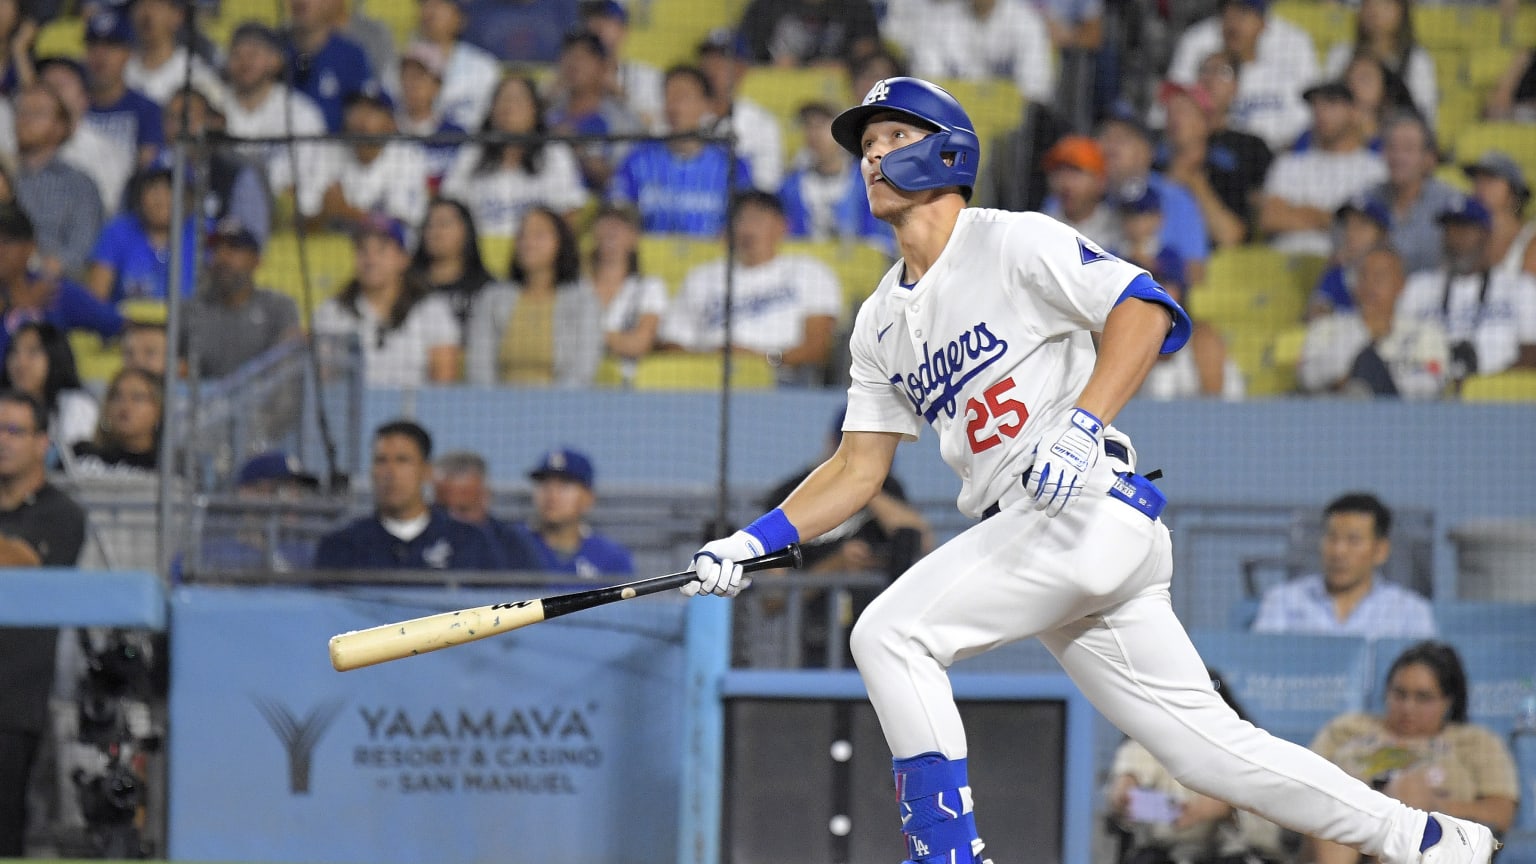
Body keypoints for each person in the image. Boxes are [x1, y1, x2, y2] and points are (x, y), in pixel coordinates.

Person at [680, 76, 1500, 864]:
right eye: (866, 142)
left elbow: (1145, 309)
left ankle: (949, 856)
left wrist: (1080, 425)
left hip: (1085, 507)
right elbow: (857, 470)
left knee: (890, 635)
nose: (872, 154)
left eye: (893, 136)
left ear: (948, 154)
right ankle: (1428, 840)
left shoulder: (1011, 239)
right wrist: (751, 543)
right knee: (1211, 755)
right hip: (1044, 536)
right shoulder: (878, 323)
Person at [1310, 642, 1519, 864]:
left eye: (1423, 697)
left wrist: (1433, 807)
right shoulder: (1347, 730)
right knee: (1338, 802)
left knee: (1409, 797)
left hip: (1429, 842)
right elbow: (1305, 782)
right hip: (1336, 839)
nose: (1408, 707)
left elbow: (1500, 814)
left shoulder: (1475, 742)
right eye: (1399, 694)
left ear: (1448, 702)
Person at [0, 389, 85, 857]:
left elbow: (20, 561)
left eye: (14, 430)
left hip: (14, 705)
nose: (2, 441)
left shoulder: (62, 514)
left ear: (42, 443)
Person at [658, 190, 842, 384]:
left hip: (781, 381)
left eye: (758, 219)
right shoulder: (701, 277)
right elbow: (672, 344)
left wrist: (758, 362)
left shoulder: (810, 271)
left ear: (782, 226)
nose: (748, 228)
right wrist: (709, 362)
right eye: (741, 219)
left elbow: (817, 348)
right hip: (707, 383)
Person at [1107, 671, 1286, 864]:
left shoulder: (1246, 748)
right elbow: (1131, 770)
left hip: (1231, 853)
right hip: (1167, 852)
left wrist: (1229, 810)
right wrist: (1125, 789)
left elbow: (1273, 835)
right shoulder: (1154, 740)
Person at [315, 419, 499, 570]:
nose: (390, 472)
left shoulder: (469, 542)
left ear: (426, 471)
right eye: (381, 461)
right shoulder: (342, 546)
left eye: (402, 460)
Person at [1115, 184, 1243, 401]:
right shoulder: (1112, 257)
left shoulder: (1168, 255)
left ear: (1158, 218)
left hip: (1172, 339)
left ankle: (1216, 416)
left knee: (1207, 337)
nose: (1136, 222)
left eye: (1143, 214)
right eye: (1130, 215)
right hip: (1129, 343)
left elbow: (1171, 296)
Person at [1253, 492, 1436, 638]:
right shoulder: (1283, 602)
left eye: (1353, 540)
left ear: (1381, 550)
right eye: (1332, 538)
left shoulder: (1410, 613)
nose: (1339, 551)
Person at [1396, 195, 1536, 384]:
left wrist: (1481, 387)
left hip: (1497, 400)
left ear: (1486, 234)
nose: (1455, 237)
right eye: (1450, 229)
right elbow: (1399, 348)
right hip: (1427, 400)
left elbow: (1531, 353)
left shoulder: (1519, 288)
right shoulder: (1418, 287)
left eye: (1465, 229)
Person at [311, 215, 461, 387]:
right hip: (355, 411)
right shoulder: (332, 312)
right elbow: (324, 382)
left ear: (403, 258)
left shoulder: (432, 311)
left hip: (414, 411)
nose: (370, 260)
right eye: (362, 249)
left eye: (381, 250)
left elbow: (444, 387)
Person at [439, 74, 589, 240]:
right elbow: (450, 207)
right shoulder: (472, 153)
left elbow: (570, 213)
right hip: (478, 257)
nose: (509, 107)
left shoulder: (555, 153)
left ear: (534, 109)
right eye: (503, 99)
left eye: (518, 100)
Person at [464, 205, 601, 387]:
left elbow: (583, 370)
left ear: (560, 242)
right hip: (498, 408)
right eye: (522, 235)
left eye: (539, 235)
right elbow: (478, 367)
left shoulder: (583, 302)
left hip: (562, 409)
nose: (528, 242)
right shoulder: (492, 298)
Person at [609, 65, 753, 236]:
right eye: (668, 96)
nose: (674, 106)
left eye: (682, 97)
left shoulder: (732, 165)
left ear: (706, 105)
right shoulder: (637, 161)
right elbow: (616, 214)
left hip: (713, 259)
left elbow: (745, 222)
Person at [1165, 0, 1319, 152]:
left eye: (1242, 14)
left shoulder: (1284, 70)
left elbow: (1308, 123)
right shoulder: (1208, 75)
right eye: (1227, 14)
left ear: (1263, 24)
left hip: (1280, 155)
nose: (1233, 24)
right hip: (1221, 154)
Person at [1298, 245, 1449, 399]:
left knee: (1367, 365)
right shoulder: (1326, 327)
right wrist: (1363, 331)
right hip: (1338, 418)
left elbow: (1431, 385)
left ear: (1401, 284)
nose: (1369, 284)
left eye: (1379, 276)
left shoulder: (1426, 333)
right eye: (1363, 275)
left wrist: (1361, 379)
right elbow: (1309, 377)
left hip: (1399, 418)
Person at [1258, 80, 1387, 257]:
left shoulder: (1376, 169)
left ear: (1354, 111)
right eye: (1316, 105)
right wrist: (1330, 219)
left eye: (1331, 103)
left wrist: (1300, 212)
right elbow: (1270, 219)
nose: (1321, 112)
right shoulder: (1289, 164)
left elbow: (1369, 231)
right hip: (1288, 264)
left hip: (1346, 267)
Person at [221, 22, 330, 205]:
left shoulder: (300, 112)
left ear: (275, 60)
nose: (245, 63)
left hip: (288, 217)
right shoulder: (215, 107)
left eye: (254, 54)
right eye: (237, 55)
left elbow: (301, 183)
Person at [1157, 75, 1271, 248]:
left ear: (1206, 122)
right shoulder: (1154, 168)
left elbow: (1231, 237)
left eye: (1183, 111)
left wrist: (1194, 183)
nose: (1174, 118)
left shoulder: (1226, 172)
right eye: (1170, 111)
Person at [1097, 110, 1208, 286]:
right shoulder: (1082, 193)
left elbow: (1196, 272)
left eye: (1121, 139)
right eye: (1105, 137)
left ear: (1147, 151)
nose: (1110, 146)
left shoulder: (1175, 198)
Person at [181, 218, 301, 380]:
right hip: (205, 401)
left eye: (234, 248)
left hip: (262, 401)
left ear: (256, 260)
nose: (222, 257)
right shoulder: (191, 309)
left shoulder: (278, 307)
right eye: (216, 249)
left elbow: (285, 370)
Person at [11, 82, 104, 278]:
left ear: (60, 126)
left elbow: (82, 251)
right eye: (21, 112)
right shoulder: (6, 175)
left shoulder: (78, 185)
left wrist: (43, 266)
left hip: (53, 287)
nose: (24, 120)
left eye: (36, 113)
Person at [300, 91, 429, 231]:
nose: (360, 119)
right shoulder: (329, 152)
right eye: (355, 110)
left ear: (390, 123)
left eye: (370, 111)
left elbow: (400, 230)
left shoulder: (407, 156)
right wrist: (324, 213)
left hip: (386, 250)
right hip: (337, 246)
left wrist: (346, 211)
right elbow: (301, 223)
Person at [883, 0, 1056, 104]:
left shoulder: (1026, 21)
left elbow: (1035, 90)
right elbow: (929, 81)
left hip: (1013, 126)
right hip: (955, 115)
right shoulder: (940, 20)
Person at [779, 100, 893, 252]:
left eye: (821, 125)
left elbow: (881, 237)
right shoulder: (790, 186)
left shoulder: (869, 179)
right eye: (808, 126)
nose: (813, 133)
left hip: (859, 268)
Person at [85, 166, 198, 303]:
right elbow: (95, 299)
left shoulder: (199, 233)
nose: (161, 199)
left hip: (187, 323)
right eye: (154, 188)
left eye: (170, 189)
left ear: (188, 198)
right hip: (127, 322)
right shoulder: (118, 230)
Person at [546, 29, 640, 193]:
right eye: (568, 54)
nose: (573, 63)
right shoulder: (547, 114)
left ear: (603, 67)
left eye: (583, 57)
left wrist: (579, 149)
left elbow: (627, 182)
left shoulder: (621, 119)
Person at [582, 205, 667, 379]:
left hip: (626, 384)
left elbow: (640, 344)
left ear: (634, 237)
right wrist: (616, 340)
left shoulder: (649, 287)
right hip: (576, 381)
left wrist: (588, 337)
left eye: (621, 223)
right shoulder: (576, 286)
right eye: (605, 221)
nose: (612, 229)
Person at [1321, 0, 1436, 128]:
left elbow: (1424, 113)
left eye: (1385, 4)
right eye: (1369, 4)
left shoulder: (1417, 59)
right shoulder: (1341, 53)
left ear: (1401, 11)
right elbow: (1328, 103)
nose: (1375, 12)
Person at [521, 447, 633, 578]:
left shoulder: (611, 558)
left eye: (564, 485)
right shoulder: (509, 545)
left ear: (588, 498)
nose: (552, 495)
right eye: (544, 484)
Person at [695, 29, 784, 193]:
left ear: (741, 69)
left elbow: (766, 187)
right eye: (707, 59)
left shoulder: (762, 123)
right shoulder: (685, 116)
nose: (710, 68)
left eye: (720, 60)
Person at [1368, 113, 1457, 276]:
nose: (1397, 157)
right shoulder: (1368, 200)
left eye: (1408, 149)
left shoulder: (1451, 204)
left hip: (1430, 294)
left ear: (1429, 159)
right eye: (1392, 147)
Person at [82, 7, 162, 169]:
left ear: (128, 53)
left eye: (111, 45)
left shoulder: (147, 110)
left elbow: (147, 166)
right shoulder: (72, 108)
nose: (100, 54)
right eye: (93, 45)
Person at [432, 450, 539, 571]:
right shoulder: (417, 543)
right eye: (443, 510)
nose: (452, 518)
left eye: (463, 510)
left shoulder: (511, 545)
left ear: (485, 496)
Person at [283, 0, 379, 132]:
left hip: (338, 146)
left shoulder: (351, 54)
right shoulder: (273, 52)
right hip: (280, 147)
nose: (301, 2)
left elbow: (366, 111)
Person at [0, 322, 97, 450]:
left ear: (55, 356)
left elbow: (70, 461)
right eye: (14, 352)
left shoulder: (75, 404)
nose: (20, 362)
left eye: (32, 352)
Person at [408, 197, 496, 339]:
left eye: (443, 224)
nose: (434, 232)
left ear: (466, 231)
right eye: (429, 225)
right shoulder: (407, 286)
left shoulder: (488, 288)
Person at [576, 0, 664, 134]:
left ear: (623, 30)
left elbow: (660, 131)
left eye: (605, 20)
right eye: (591, 19)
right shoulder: (569, 75)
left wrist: (621, 97)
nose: (596, 27)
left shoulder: (648, 77)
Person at [414, 0, 500, 131]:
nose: (430, 11)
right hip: (413, 147)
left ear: (459, 17)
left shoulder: (484, 66)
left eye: (439, 5)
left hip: (471, 146)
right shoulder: (405, 62)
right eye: (425, 4)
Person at [393, 41, 465, 191]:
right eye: (406, 76)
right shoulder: (387, 129)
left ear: (437, 85)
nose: (411, 84)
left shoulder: (455, 135)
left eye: (419, 77)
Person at [123, 0, 223, 106]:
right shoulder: (120, 68)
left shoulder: (196, 74)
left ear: (178, 15)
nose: (147, 14)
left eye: (157, 6)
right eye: (140, 4)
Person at [1309, 196, 1394, 318]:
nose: (1351, 234)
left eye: (1361, 226)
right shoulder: (1337, 274)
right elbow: (1315, 317)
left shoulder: (1397, 276)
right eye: (1347, 226)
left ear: (1383, 236)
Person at [70, 366, 163, 475]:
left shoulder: (167, 465)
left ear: (159, 409)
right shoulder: (79, 454)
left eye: (137, 398)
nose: (125, 406)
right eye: (116, 396)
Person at [734, 0, 881, 69]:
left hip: (839, 91)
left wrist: (845, 66)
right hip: (779, 89)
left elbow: (869, 59)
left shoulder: (857, 6)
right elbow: (741, 57)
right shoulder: (766, 6)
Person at [1464, 151, 1536, 285]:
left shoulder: (1530, 240)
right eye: (1477, 180)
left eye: (1490, 179)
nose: (1480, 186)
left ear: (1513, 192)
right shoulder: (1472, 237)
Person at [1041, 134, 1121, 253]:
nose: (1065, 182)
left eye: (1075, 172)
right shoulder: (1041, 226)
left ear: (1100, 180)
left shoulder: (1120, 227)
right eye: (1058, 171)